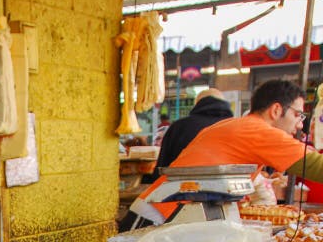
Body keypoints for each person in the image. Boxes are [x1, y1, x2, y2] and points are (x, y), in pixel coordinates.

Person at [124, 79, 321, 229]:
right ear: (276, 110)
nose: (300, 124)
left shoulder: (239, 125)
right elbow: (316, 166)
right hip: (158, 216)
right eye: (298, 114)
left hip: (176, 215)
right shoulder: (258, 131)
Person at [147, 88, 233, 182]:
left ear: (197, 105)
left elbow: (162, 168)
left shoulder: (179, 127)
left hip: (183, 190)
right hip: (230, 190)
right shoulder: (235, 128)